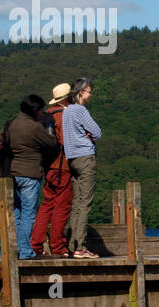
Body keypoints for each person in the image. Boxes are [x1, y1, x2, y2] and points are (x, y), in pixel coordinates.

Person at [8, 94, 60, 260]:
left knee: (16, 213)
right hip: (30, 173)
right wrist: (50, 129)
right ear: (36, 110)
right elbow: (52, 144)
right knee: (29, 214)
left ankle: (15, 249)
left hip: (12, 172)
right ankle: (25, 251)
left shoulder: (12, 124)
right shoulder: (34, 127)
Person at [29, 83, 74, 257]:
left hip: (48, 166)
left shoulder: (47, 115)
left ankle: (35, 244)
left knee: (46, 205)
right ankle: (58, 246)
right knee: (62, 206)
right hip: (63, 166)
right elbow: (65, 141)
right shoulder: (65, 115)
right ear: (68, 98)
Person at [63, 77, 102, 259]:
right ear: (81, 92)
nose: (90, 94)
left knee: (77, 203)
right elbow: (97, 132)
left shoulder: (66, 111)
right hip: (85, 157)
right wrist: (88, 135)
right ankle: (80, 246)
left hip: (71, 158)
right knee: (85, 203)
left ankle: (72, 245)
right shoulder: (81, 110)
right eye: (89, 91)